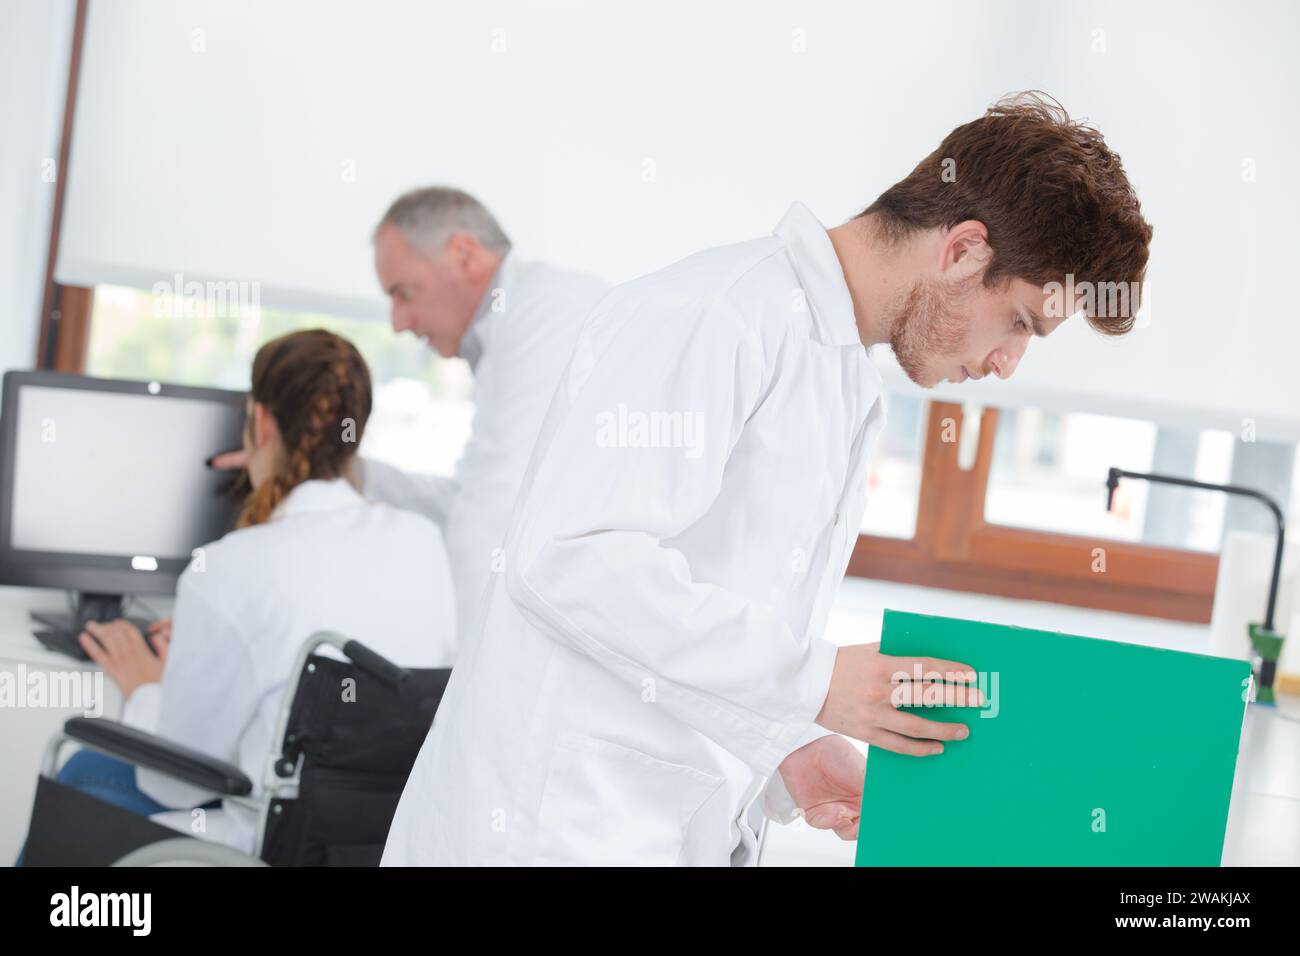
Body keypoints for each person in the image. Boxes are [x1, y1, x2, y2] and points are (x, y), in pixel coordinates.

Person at [380, 93, 1153, 866]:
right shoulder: (716, 313)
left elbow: (718, 606)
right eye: (1020, 322)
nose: (1006, 364)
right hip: (545, 827)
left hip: (658, 823)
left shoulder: (847, 379)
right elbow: (567, 560)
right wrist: (813, 684)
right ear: (962, 252)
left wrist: (789, 748)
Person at [62, 329, 456, 856]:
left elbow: (176, 784)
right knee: (91, 770)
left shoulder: (229, 566)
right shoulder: (423, 542)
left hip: (263, 845)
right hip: (381, 847)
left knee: (79, 765)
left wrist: (147, 686)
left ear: (262, 422)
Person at [216, 189, 610, 653]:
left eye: (404, 293)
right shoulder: (516, 327)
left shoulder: (544, 317)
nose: (398, 322)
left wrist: (448, 690)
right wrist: (334, 464)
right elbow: (469, 501)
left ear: (464, 255)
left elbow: (488, 520)